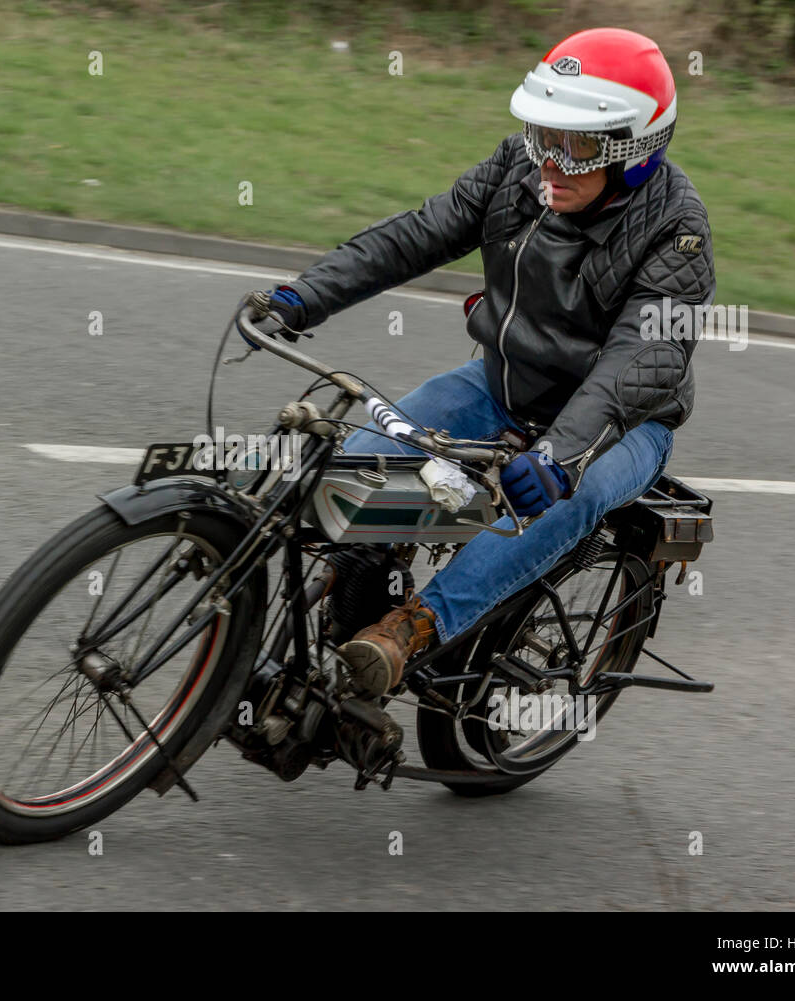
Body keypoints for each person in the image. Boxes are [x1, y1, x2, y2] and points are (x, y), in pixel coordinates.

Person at [240, 27, 715, 698]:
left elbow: (641, 362)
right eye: (541, 133)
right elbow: (419, 233)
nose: (549, 160)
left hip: (623, 424)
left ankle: (413, 630)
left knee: (555, 505)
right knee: (349, 483)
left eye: (573, 145)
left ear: (633, 152)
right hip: (499, 386)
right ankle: (348, 605)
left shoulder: (678, 230)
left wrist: (559, 456)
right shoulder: (521, 171)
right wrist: (303, 295)